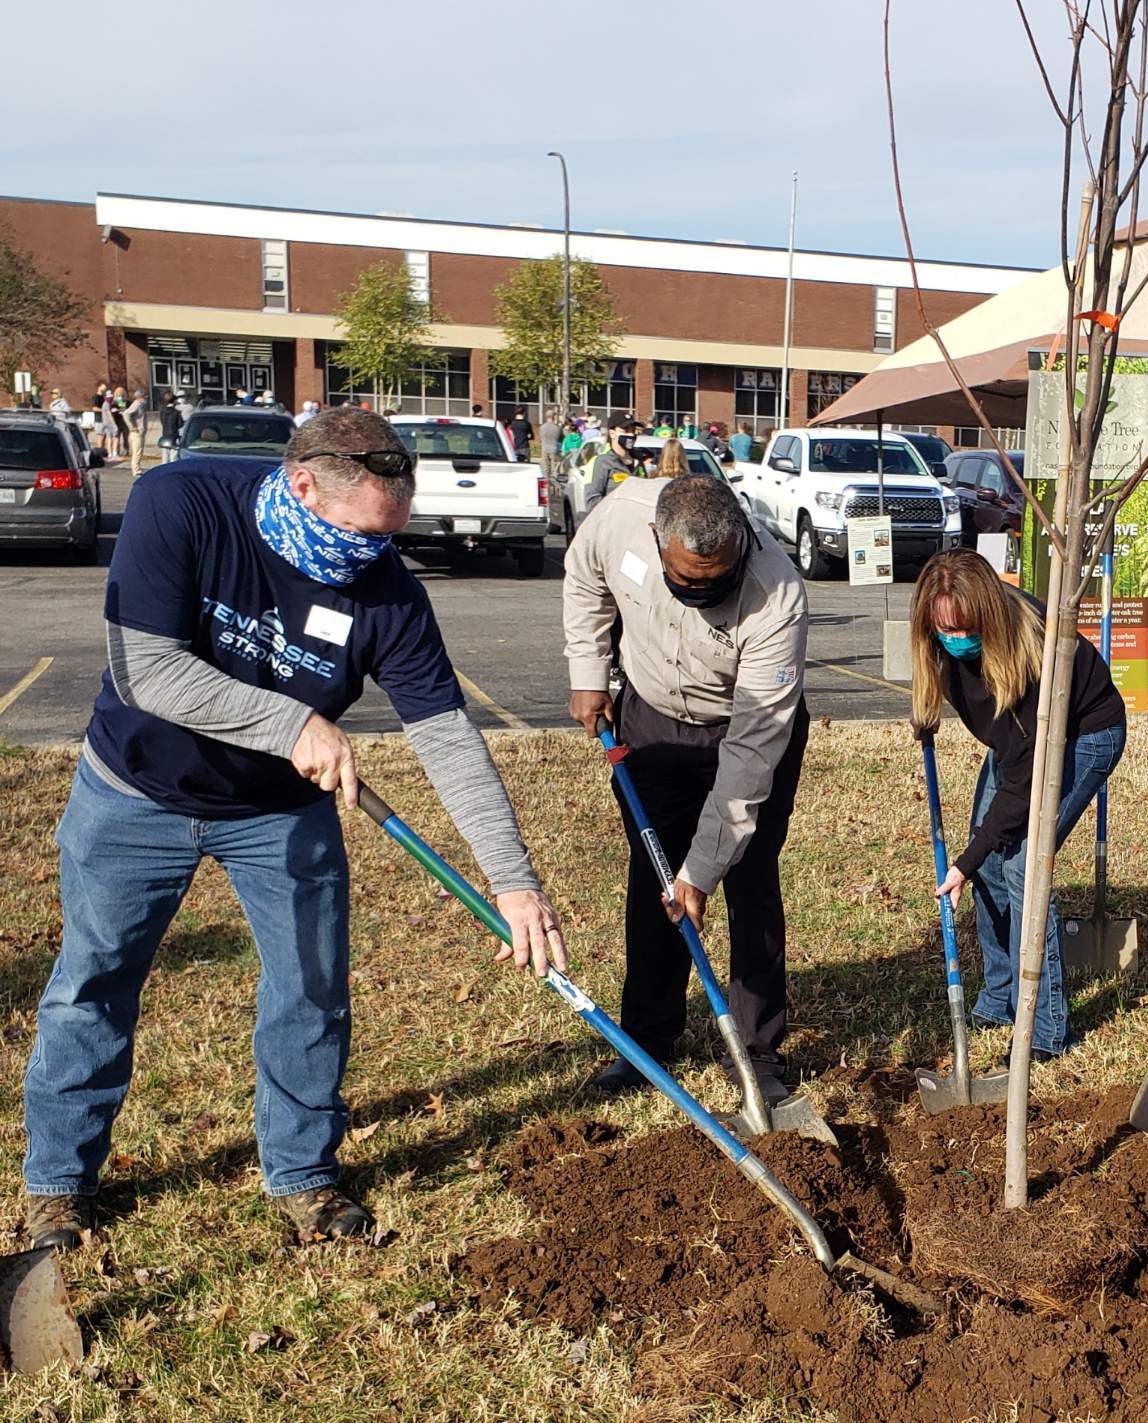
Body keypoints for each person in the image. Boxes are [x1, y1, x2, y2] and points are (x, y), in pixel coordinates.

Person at [21, 408, 566, 1253]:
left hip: (278, 813)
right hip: (134, 790)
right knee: (93, 982)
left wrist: (513, 879)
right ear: (303, 485)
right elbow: (148, 669)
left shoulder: (387, 587)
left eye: (394, 533)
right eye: (362, 532)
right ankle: (59, 1183)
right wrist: (293, 725)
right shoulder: (182, 504)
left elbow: (448, 737)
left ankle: (304, 1175)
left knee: (310, 991)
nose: (377, 554)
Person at [563, 474, 810, 1102]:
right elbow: (585, 576)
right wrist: (589, 672)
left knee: (749, 875)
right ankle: (647, 1041)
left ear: (743, 545)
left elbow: (752, 755)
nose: (702, 590)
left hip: (745, 726)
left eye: (716, 579)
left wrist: (700, 874)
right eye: (686, 579)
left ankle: (756, 1052)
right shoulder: (620, 517)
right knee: (655, 875)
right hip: (651, 718)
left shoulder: (775, 595)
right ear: (656, 540)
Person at [910, 548, 1127, 1060]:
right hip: (1017, 747)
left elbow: (1021, 789)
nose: (954, 639)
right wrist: (926, 707)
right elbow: (1004, 746)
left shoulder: (1035, 655)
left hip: (1081, 736)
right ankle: (1000, 996)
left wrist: (965, 860)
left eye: (966, 629)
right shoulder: (941, 636)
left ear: (990, 617)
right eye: (944, 630)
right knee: (989, 868)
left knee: (1022, 871)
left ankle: (1047, 1030)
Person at [581, 420, 643, 516]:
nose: (631, 435)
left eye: (633, 430)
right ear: (612, 434)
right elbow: (592, 501)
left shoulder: (639, 462)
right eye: (626, 430)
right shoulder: (602, 462)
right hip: (612, 524)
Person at [123, 388, 149, 475]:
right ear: (140, 397)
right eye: (144, 397)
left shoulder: (141, 404)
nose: (145, 399)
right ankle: (136, 470)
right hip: (136, 432)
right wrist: (132, 426)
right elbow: (126, 413)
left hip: (140, 431)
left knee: (139, 451)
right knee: (137, 451)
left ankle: (137, 468)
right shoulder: (137, 404)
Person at [156, 392, 182, 463]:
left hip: (165, 434)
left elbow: (162, 421)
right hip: (174, 435)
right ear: (174, 401)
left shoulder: (162, 411)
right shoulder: (176, 412)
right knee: (174, 457)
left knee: (165, 457)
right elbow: (180, 424)